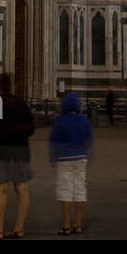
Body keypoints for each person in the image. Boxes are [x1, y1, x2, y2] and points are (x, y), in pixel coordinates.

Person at [0, 73, 35, 240]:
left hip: (1, 150)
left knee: (0, 189)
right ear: (12, 86)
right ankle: (18, 229)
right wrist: (18, 134)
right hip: (19, 150)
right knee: (22, 187)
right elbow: (30, 128)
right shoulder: (20, 103)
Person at [49, 91, 93, 234]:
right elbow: (89, 139)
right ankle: (78, 225)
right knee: (80, 190)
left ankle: (66, 226)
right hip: (81, 158)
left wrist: (53, 158)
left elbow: (54, 141)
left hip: (64, 159)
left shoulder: (61, 120)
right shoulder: (84, 120)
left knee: (66, 191)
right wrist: (84, 150)